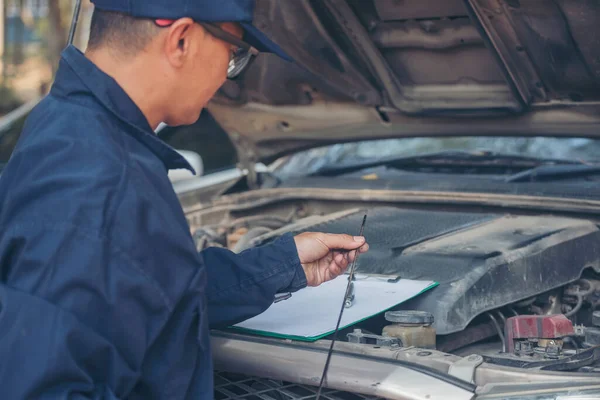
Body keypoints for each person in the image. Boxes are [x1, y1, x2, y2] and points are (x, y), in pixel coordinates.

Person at [0, 0, 369, 399]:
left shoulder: (70, 125)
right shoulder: (99, 184)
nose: (228, 79)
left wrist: (284, 264)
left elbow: (148, 291)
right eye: (234, 53)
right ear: (181, 40)